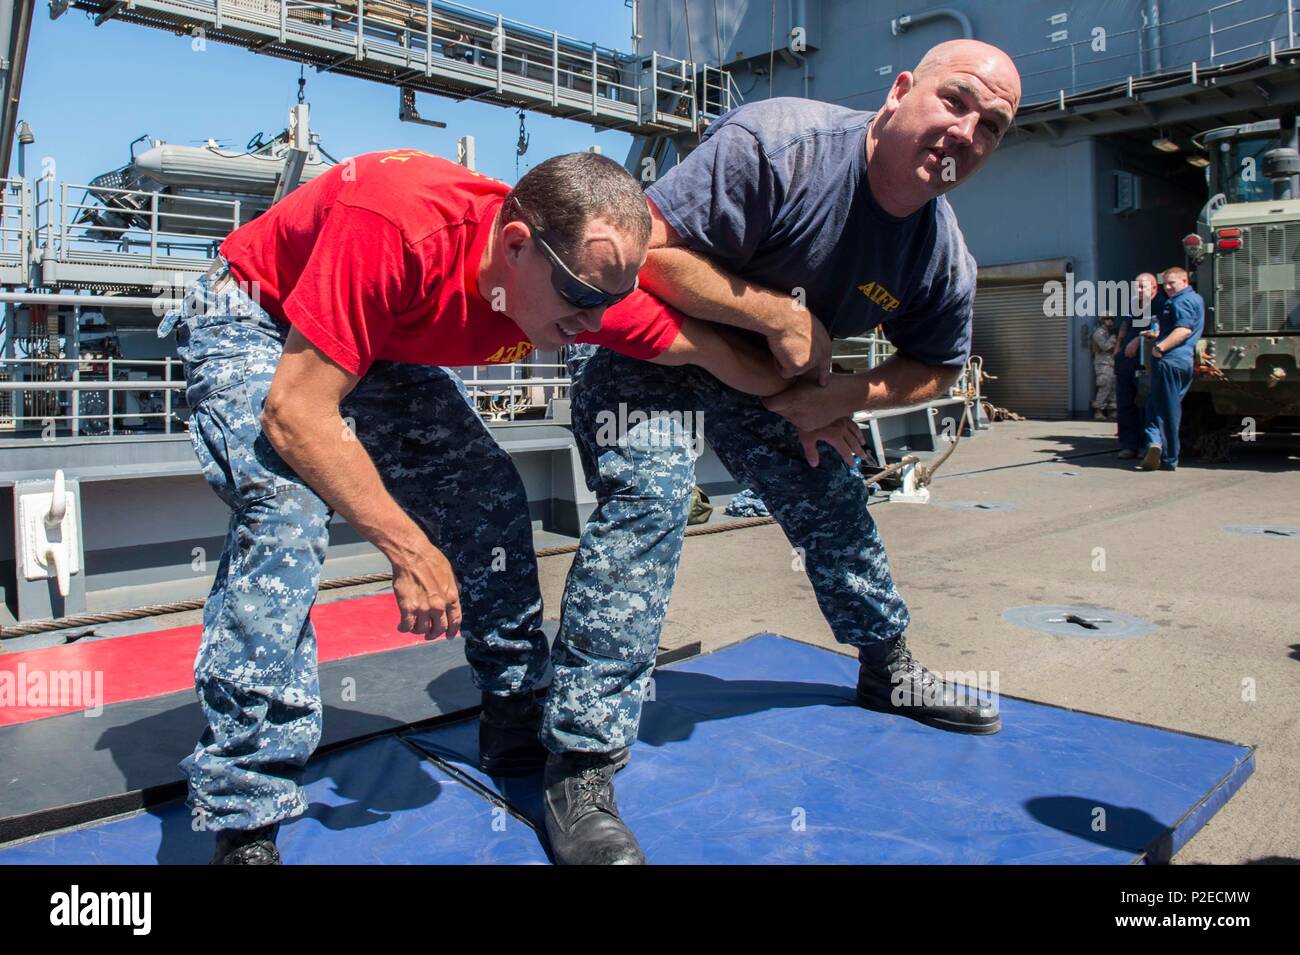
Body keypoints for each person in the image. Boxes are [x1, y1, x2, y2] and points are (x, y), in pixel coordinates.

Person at [157, 149, 783, 864]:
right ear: (515, 246)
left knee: (487, 496)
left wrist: (805, 392)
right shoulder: (399, 224)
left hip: (380, 338)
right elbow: (296, 413)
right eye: (583, 298)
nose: (594, 321)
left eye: (608, 300)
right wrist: (410, 549)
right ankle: (245, 809)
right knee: (286, 513)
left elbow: (696, 348)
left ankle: (515, 713)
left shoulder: (581, 279)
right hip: (256, 311)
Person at [539, 39, 1022, 864]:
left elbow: (936, 367)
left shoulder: (940, 255)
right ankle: (579, 761)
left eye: (991, 126)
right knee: (650, 501)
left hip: (760, 376)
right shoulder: (778, 146)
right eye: (955, 100)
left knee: (832, 499)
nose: (965, 130)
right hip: (650, 342)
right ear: (900, 91)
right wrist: (781, 319)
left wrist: (840, 397)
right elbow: (640, 250)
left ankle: (888, 666)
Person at [1139, 266, 1204, 471]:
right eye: (1165, 284)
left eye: (1172, 283)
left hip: (1169, 360)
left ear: (1185, 282)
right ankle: (1161, 449)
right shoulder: (1196, 299)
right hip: (1183, 361)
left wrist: (1160, 347)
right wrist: (1158, 335)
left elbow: (1183, 330)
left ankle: (1162, 451)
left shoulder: (1181, 301)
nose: (1167, 287)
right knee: (1166, 407)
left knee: (1161, 409)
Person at [1113, 272, 1161, 458]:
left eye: (1143, 287)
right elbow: (1126, 325)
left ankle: (1144, 445)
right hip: (1126, 362)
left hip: (1146, 362)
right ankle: (1128, 445)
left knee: (1144, 404)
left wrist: (1139, 340)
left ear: (1155, 288)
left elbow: (1159, 330)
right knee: (1125, 402)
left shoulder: (1161, 305)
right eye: (1137, 287)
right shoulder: (1134, 304)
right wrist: (1118, 348)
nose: (1139, 290)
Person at [1089, 315, 1118, 420]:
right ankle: (1098, 411)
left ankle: (1113, 412)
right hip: (1103, 364)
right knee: (1104, 386)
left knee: (1113, 387)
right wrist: (1114, 338)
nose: (1110, 321)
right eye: (1108, 319)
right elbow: (1105, 346)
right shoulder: (1099, 333)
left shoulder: (1109, 332)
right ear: (1102, 320)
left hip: (1111, 363)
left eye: (1112, 319)